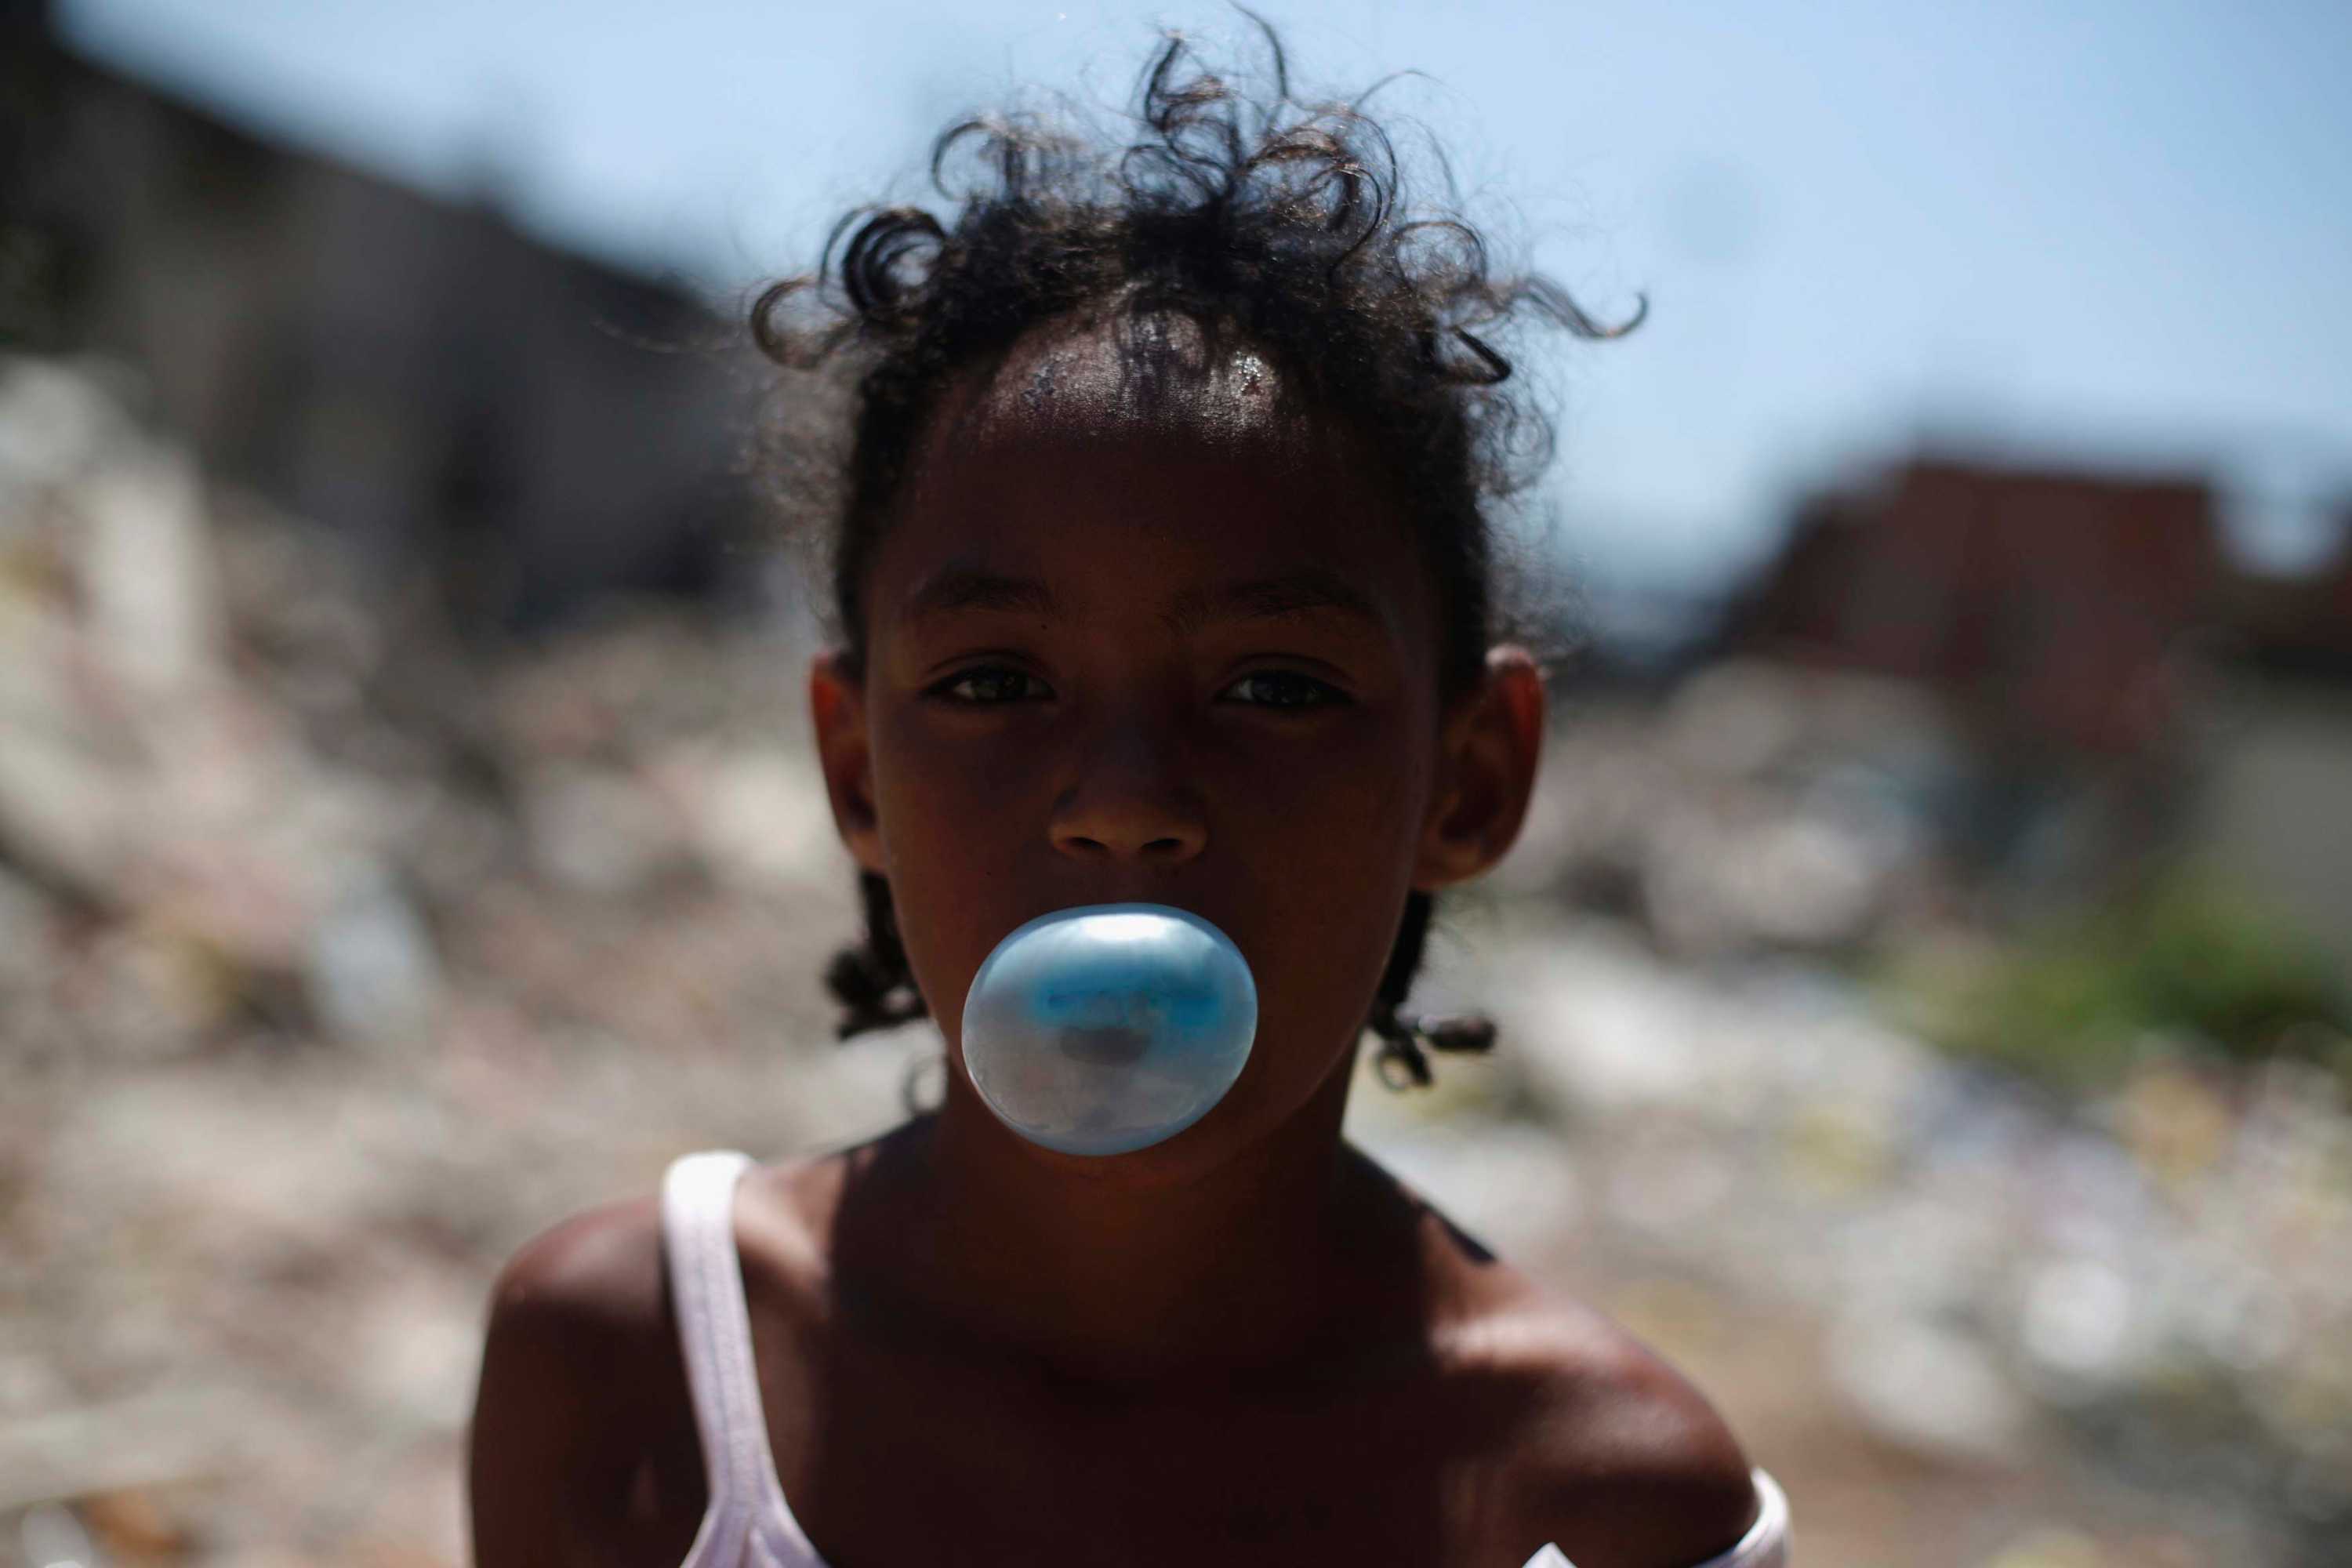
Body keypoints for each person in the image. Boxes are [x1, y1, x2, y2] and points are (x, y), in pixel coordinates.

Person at [468, 23, 1789, 1568]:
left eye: (1276, 688)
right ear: (853, 770)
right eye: (992, 684)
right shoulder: (640, 1371)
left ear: (1473, 777)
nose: (1123, 805)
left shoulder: (1602, 1498)